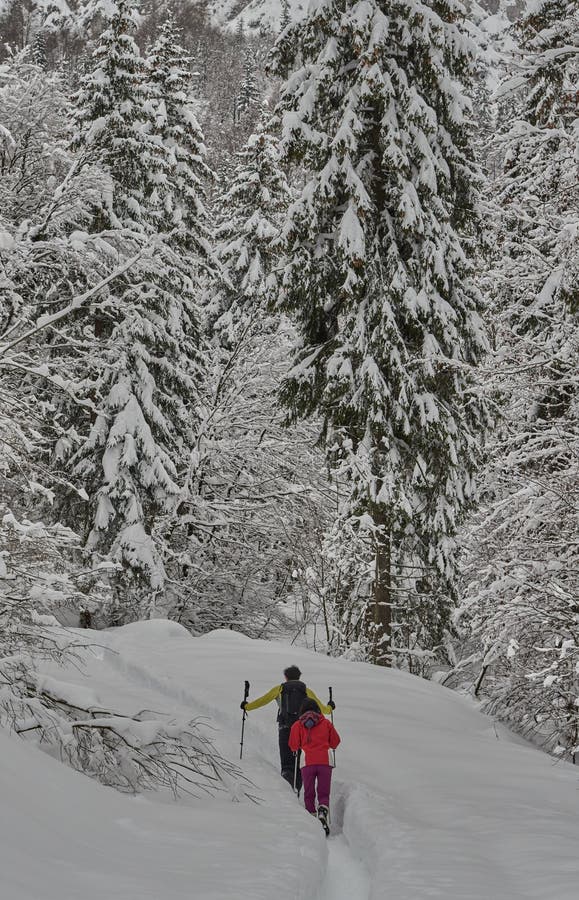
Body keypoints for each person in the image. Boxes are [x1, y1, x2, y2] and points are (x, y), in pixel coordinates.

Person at [240, 665, 334, 793]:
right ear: (299, 676)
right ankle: (298, 787)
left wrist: (247, 706)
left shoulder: (280, 689)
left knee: (286, 760)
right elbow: (323, 709)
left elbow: (262, 701)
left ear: (286, 677)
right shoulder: (306, 690)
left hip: (285, 727)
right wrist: (330, 707)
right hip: (302, 729)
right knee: (299, 760)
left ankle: (287, 789)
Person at [289, 699, 340, 835]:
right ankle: (322, 810)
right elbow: (335, 742)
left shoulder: (297, 725)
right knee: (323, 792)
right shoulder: (326, 723)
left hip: (307, 763)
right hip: (325, 762)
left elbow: (293, 746)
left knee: (309, 793)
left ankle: (312, 818)